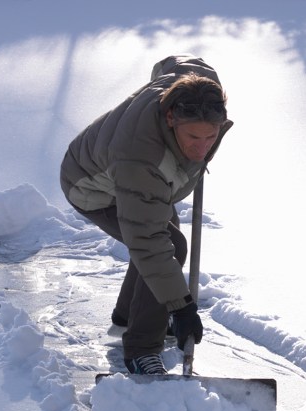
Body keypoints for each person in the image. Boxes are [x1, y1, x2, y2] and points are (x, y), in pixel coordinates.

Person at [59, 55, 232, 375]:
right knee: (168, 244)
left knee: (163, 234)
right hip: (93, 186)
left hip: (136, 179)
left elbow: (177, 64)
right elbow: (148, 240)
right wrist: (181, 308)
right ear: (170, 118)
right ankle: (140, 348)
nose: (202, 149)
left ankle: (128, 318)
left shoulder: (198, 90)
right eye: (193, 138)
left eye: (211, 137)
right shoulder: (141, 156)